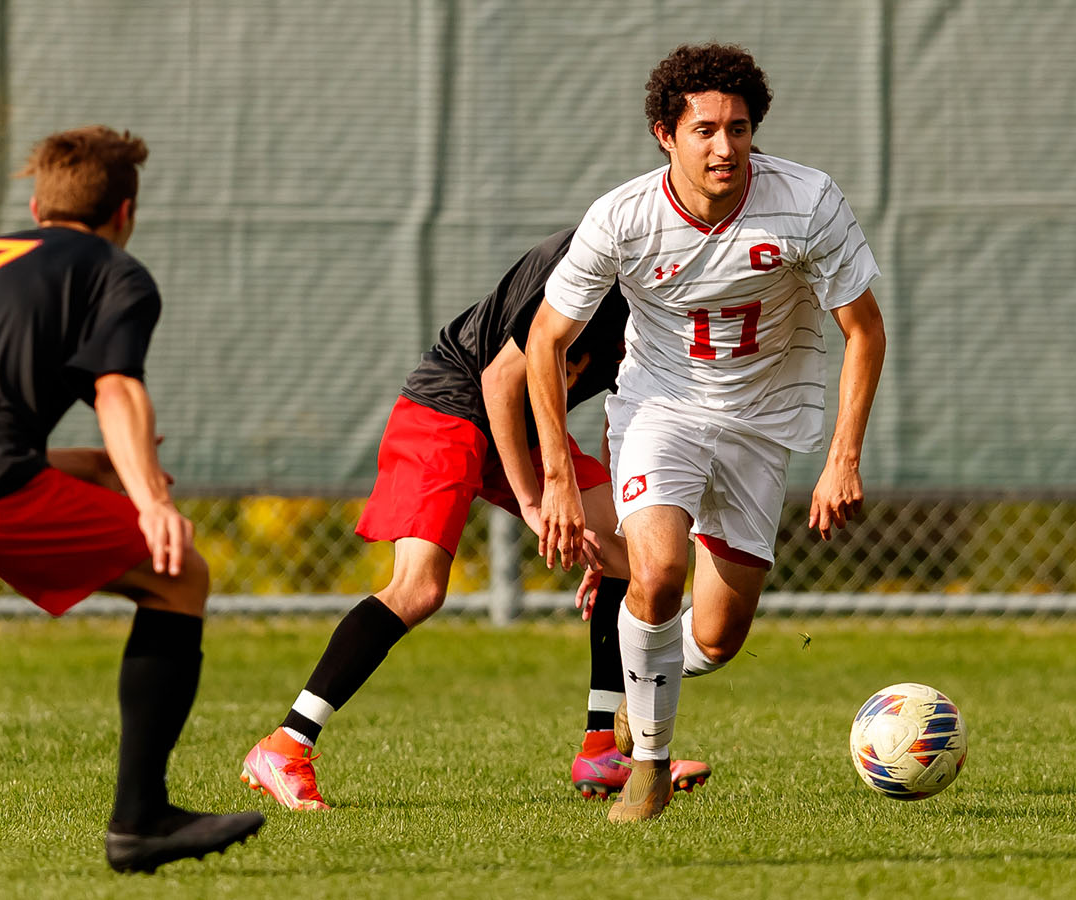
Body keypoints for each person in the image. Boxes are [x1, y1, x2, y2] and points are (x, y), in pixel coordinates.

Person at [527, 42, 887, 823]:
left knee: (719, 638)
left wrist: (843, 459)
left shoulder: (807, 202)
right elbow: (545, 342)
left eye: (739, 129)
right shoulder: (623, 218)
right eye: (705, 130)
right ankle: (648, 767)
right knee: (657, 575)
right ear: (665, 135)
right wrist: (557, 480)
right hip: (660, 409)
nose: (726, 147)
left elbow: (864, 330)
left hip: (763, 424)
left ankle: (643, 682)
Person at [239, 228, 710, 810]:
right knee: (418, 589)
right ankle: (285, 745)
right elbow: (499, 379)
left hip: (525, 425)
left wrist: (612, 527)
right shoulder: (598, 255)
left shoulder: (675, 290)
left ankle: (601, 750)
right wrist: (536, 504)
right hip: (451, 405)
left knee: (629, 553)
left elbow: (626, 411)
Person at [0, 126, 265, 872]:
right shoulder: (114, 271)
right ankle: (141, 820)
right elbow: (116, 389)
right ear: (126, 211)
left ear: (36, 206)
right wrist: (151, 501)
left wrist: (83, 465)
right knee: (177, 574)